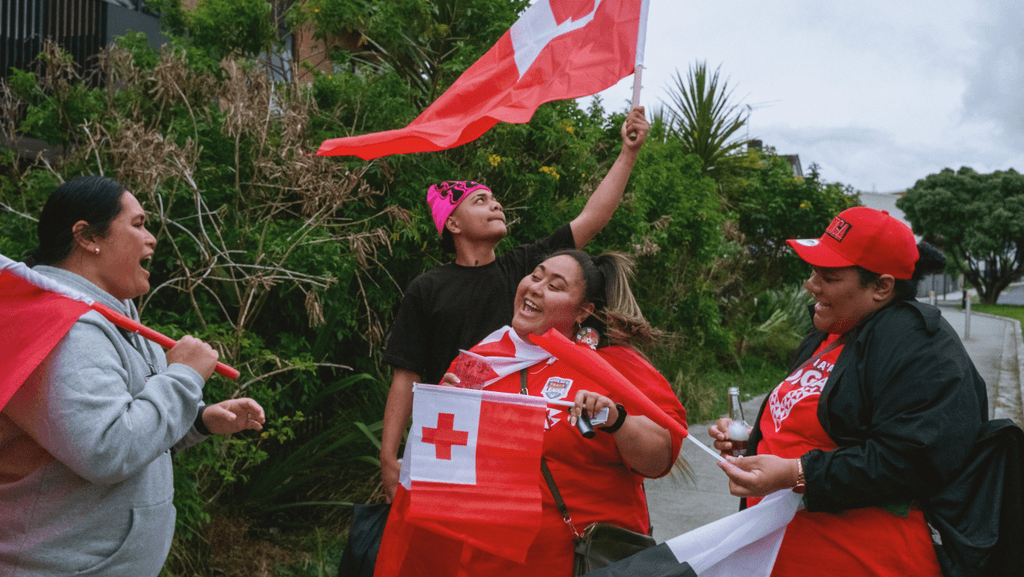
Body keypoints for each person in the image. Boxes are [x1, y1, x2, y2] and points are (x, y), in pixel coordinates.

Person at [380, 107, 651, 501]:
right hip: (457, 439)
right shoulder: (427, 288)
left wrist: (628, 153)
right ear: (452, 224)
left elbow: (594, 217)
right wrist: (390, 458)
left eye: (494, 199)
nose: (495, 205)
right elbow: (406, 376)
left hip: (523, 438)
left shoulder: (525, 268)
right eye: (480, 201)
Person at [0, 176, 266, 577]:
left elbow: (132, 427)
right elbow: (107, 449)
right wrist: (182, 378)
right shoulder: (65, 327)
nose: (152, 238)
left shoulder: (110, 316)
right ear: (88, 237)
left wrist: (197, 420)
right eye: (138, 224)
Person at [709, 207, 988, 576]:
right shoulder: (831, 332)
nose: (811, 284)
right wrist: (750, 442)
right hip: (783, 551)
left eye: (829, 276)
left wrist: (798, 472)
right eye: (813, 271)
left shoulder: (921, 344)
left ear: (881, 287)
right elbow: (805, 420)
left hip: (864, 560)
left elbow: (913, 458)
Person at [376, 249, 688, 577]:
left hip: (585, 562)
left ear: (583, 311)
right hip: (489, 565)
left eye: (555, 286)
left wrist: (617, 420)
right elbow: (443, 475)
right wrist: (447, 404)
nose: (536, 288)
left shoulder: (611, 368)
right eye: (536, 276)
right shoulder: (477, 366)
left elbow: (659, 459)